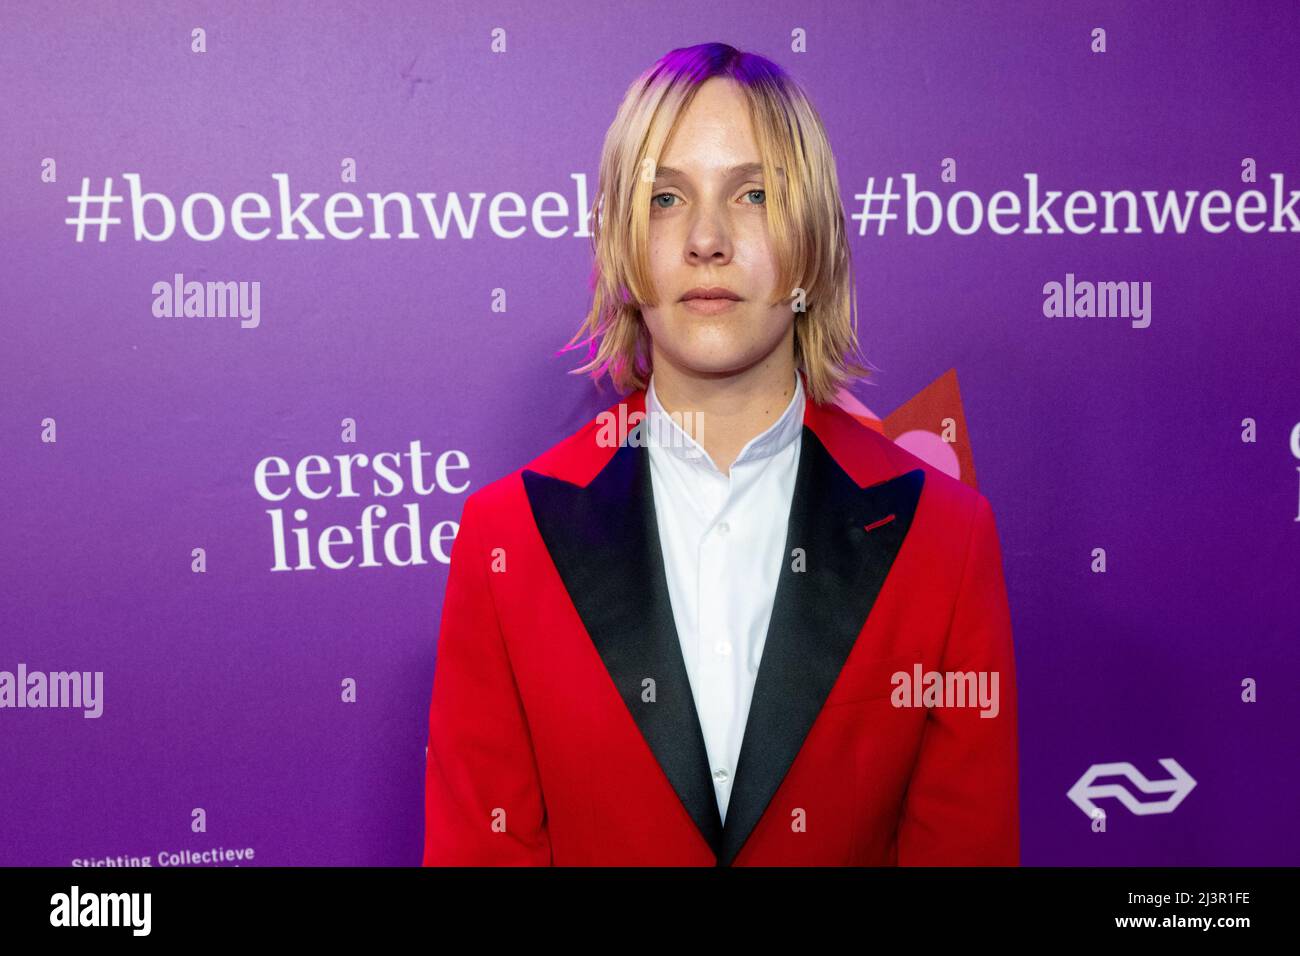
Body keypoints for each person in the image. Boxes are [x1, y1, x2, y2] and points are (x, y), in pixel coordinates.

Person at [422, 41, 1018, 866]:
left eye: (754, 195)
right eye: (666, 197)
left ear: (811, 233)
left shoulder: (945, 538)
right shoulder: (506, 535)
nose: (706, 238)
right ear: (624, 244)